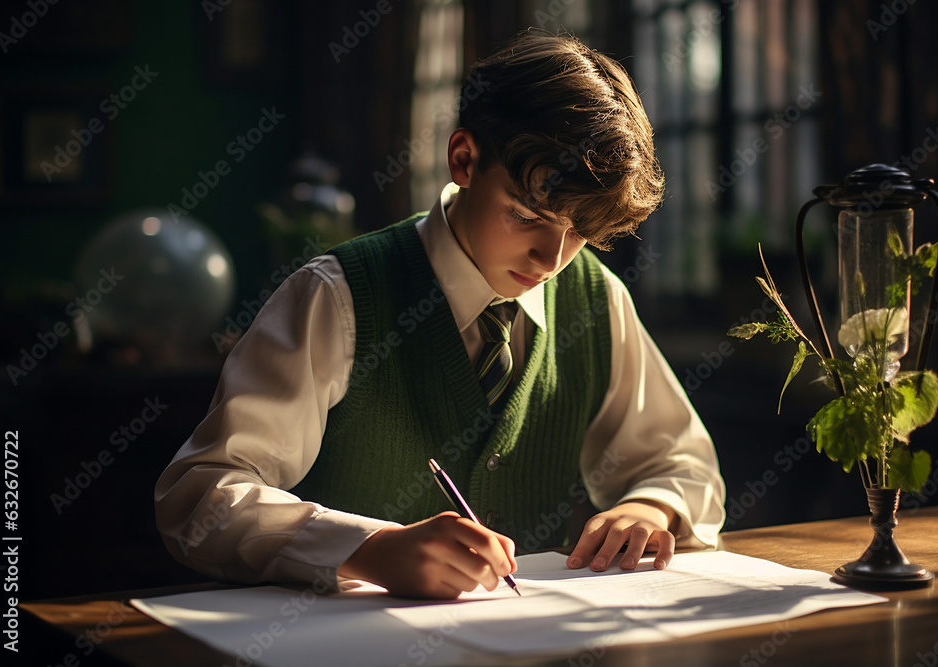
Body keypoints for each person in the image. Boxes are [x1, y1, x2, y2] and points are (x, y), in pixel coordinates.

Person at [155, 29, 725, 600]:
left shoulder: (597, 300)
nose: (551, 259)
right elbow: (202, 497)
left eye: (578, 232)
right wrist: (366, 548)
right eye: (527, 215)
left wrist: (650, 506)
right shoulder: (335, 296)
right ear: (464, 159)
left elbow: (683, 465)